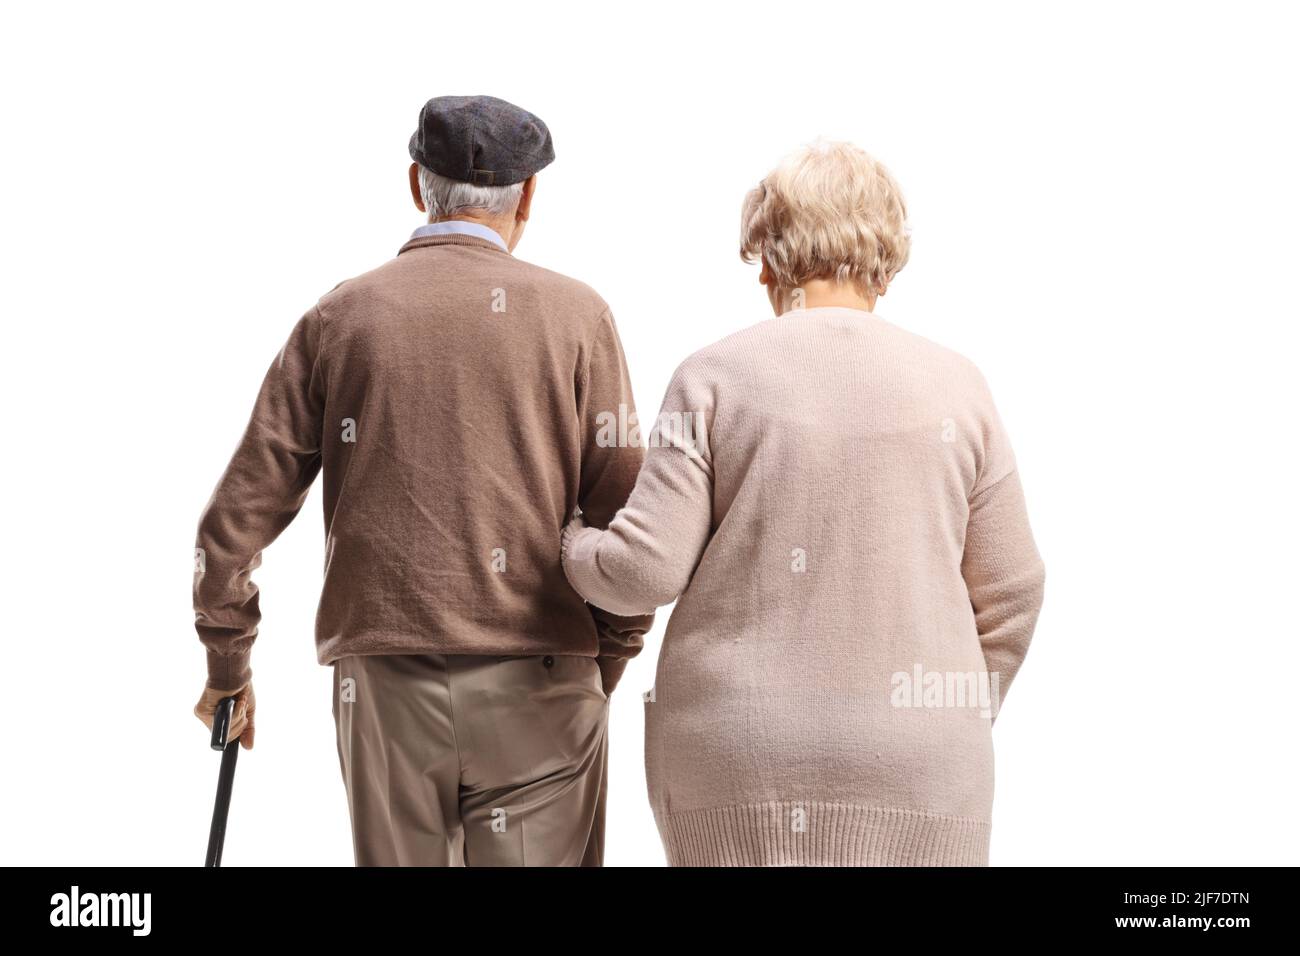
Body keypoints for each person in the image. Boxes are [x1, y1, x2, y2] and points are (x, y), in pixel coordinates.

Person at [191, 95, 653, 866]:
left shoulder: (341, 318)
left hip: (381, 683)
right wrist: (602, 661)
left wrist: (228, 667)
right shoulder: (578, 318)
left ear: (417, 183)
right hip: (542, 678)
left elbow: (232, 523)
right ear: (529, 196)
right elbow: (628, 524)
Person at [561, 140, 1045, 866]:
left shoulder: (713, 375)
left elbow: (645, 571)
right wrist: (950, 712)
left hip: (740, 756)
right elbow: (1014, 591)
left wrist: (569, 542)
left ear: (768, 257)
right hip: (922, 762)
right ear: (886, 257)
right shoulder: (959, 387)